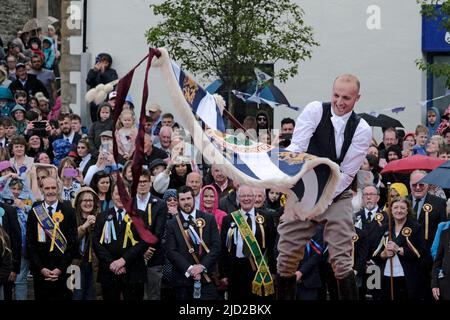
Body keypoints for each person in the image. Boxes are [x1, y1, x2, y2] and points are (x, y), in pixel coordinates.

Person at [276, 74, 372, 300]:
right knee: (286, 257)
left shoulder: (362, 129)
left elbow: (348, 172)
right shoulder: (314, 110)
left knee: (342, 259)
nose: (340, 102)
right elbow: (297, 148)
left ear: (357, 98)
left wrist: (323, 198)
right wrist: (282, 172)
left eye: (346, 98)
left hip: (337, 196)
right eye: (336, 95)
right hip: (304, 192)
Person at [219, 185, 277, 300]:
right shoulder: (229, 219)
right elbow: (223, 248)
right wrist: (223, 273)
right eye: (243, 196)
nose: (246, 198)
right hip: (236, 270)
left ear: (254, 198)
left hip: (259, 270)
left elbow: (272, 245)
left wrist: (273, 270)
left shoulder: (266, 217)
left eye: (249, 195)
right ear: (238, 199)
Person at [93, 183, 149, 300]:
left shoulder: (140, 216)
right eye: (118, 194)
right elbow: (96, 243)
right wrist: (112, 263)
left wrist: (123, 260)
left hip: (133, 271)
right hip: (109, 272)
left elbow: (144, 242)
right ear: (112, 196)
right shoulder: (102, 216)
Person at [164, 186, 221, 300]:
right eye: (183, 199)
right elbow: (171, 251)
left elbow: (216, 246)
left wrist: (201, 266)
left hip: (206, 278)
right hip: (182, 280)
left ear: (194, 198)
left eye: (188, 198)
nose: (186, 202)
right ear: (178, 202)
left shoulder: (209, 219)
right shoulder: (172, 223)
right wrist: (190, 269)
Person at [26, 176, 77, 300]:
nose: (50, 191)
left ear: (58, 188)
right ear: (42, 190)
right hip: (41, 272)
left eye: (53, 187)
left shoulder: (68, 210)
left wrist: (60, 269)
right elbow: (30, 243)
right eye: (47, 188)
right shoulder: (35, 211)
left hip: (63, 271)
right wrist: (41, 268)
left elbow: (72, 243)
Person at [372, 197, 426, 300]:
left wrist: (399, 249)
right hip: (386, 276)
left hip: (406, 278)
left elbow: (421, 252)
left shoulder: (415, 228)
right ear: (391, 210)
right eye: (395, 207)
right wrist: (383, 254)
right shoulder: (384, 228)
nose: (399, 210)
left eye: (402, 208)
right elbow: (374, 252)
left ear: (407, 210)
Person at [134, 169, 167, 300]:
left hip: (154, 256)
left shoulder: (160, 204)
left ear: (150, 183)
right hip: (134, 257)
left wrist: (148, 250)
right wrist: (140, 251)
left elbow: (158, 231)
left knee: (153, 295)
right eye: (139, 181)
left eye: (145, 181)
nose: (142, 184)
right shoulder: (129, 204)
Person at [72, 187, 100, 300]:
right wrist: (84, 226)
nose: (88, 203)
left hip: (93, 265)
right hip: (75, 266)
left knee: (91, 296)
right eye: (85, 200)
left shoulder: (99, 218)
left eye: (91, 200)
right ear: (79, 202)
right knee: (76, 296)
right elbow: (71, 241)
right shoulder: (72, 218)